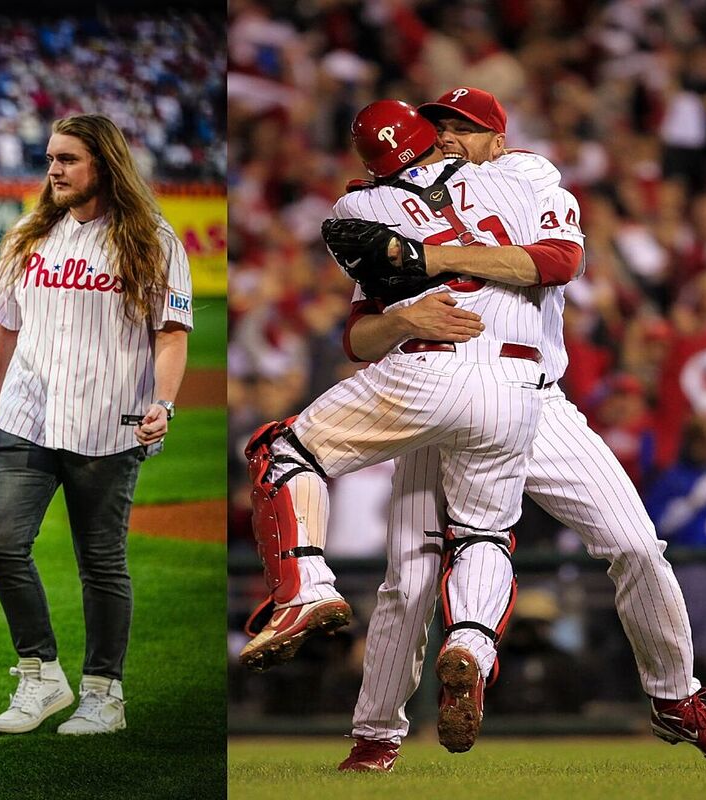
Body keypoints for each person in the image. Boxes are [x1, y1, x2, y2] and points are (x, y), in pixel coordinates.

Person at [339, 87, 706, 772]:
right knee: (407, 580)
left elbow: (559, 261)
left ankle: (676, 698)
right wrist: (403, 317)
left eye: (465, 130)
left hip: (536, 399)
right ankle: (376, 736)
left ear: (498, 143)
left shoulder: (523, 180)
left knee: (639, 546)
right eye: (438, 126)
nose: (448, 138)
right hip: (436, 397)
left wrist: (432, 259)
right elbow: (358, 335)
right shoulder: (396, 208)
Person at [239, 98, 557, 756]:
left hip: (428, 371)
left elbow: (358, 265)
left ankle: (305, 588)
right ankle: (469, 642)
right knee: (485, 535)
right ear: (431, 140)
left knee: (284, 449)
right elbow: (556, 258)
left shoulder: (356, 207)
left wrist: (416, 261)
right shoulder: (517, 177)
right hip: (517, 385)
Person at [0, 113, 192, 736]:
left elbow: (171, 335)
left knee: (100, 561)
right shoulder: (29, 234)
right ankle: (41, 674)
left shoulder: (152, 238)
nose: (53, 170)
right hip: (26, 415)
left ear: (104, 164)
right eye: (50, 159)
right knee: (0, 542)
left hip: (108, 420)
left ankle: (104, 693)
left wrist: (164, 403)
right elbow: (5, 331)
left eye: (67, 159)